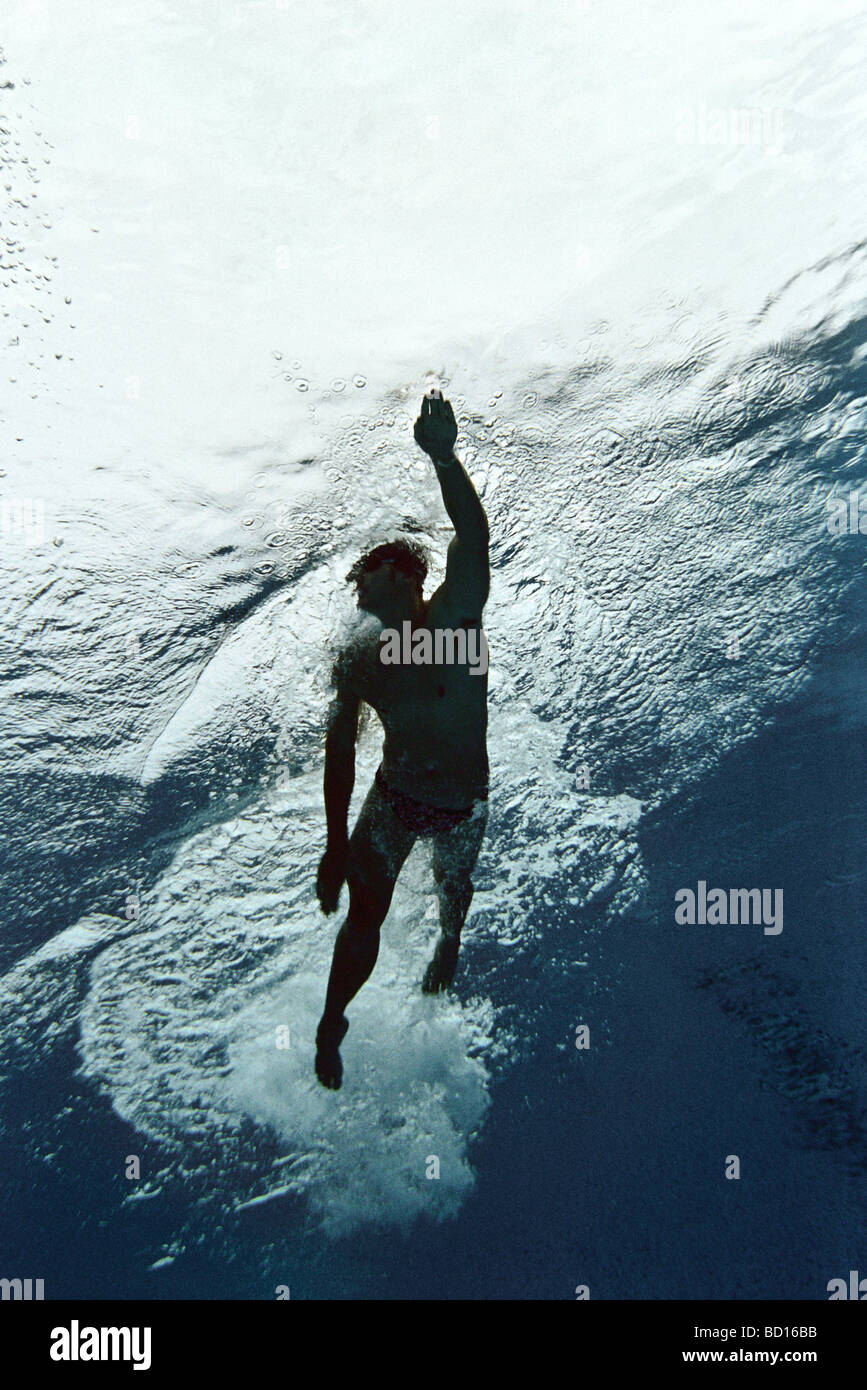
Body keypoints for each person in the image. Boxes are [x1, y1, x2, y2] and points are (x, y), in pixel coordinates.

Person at [314, 389, 491, 1089]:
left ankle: (449, 940)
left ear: (405, 577)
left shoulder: (454, 621)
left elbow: (472, 539)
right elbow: (340, 755)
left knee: (455, 886)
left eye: (369, 574)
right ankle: (332, 1023)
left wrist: (444, 458)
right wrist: (332, 845)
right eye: (357, 581)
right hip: (393, 800)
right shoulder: (357, 662)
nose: (357, 590)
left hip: (460, 804)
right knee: (365, 911)